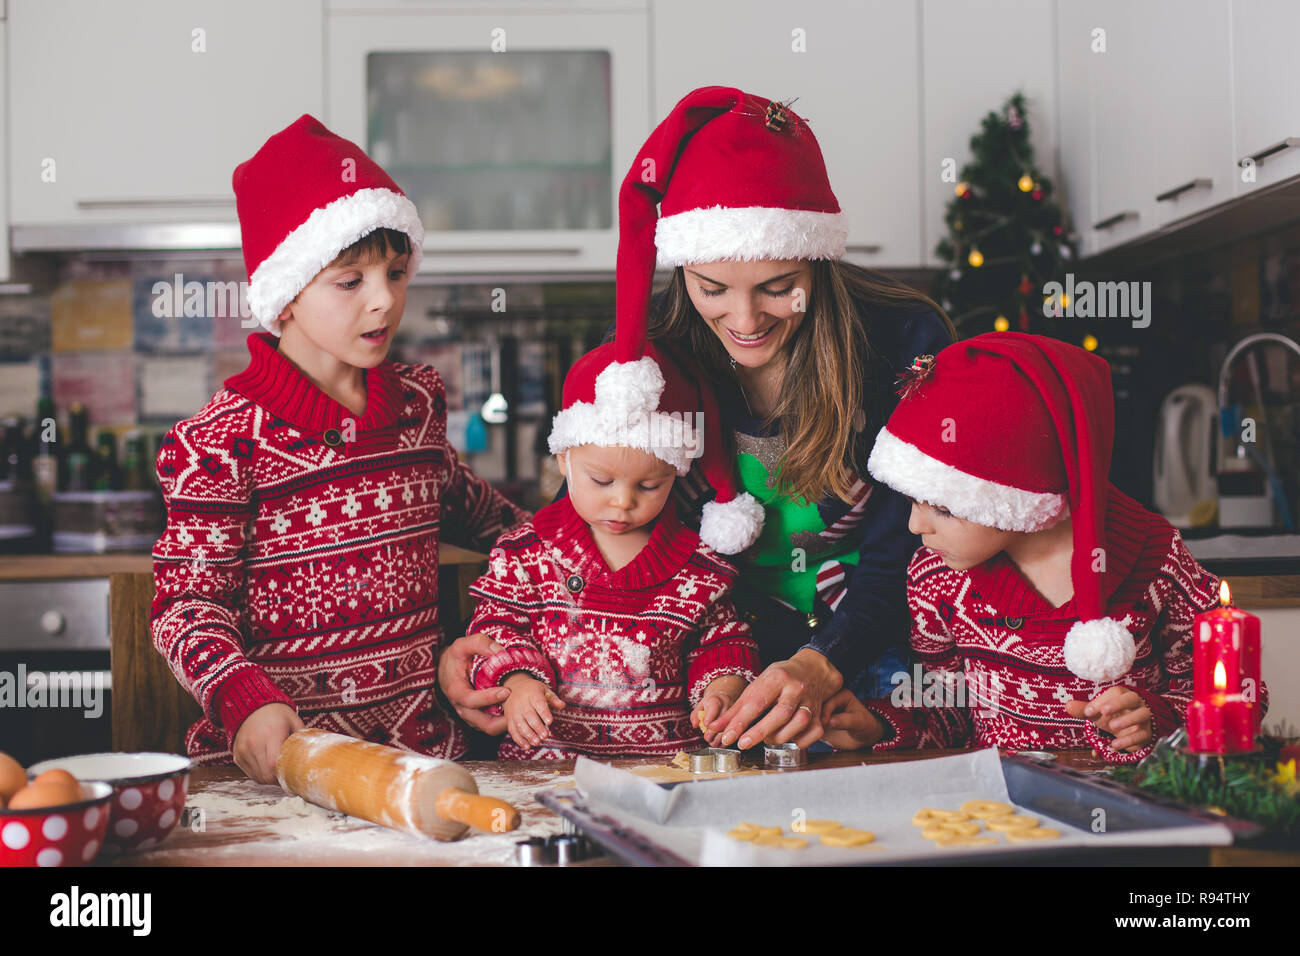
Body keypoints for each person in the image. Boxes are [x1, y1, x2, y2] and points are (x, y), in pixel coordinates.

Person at [442, 87, 956, 752]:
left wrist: (826, 660)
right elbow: (593, 528)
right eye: (712, 289)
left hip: (875, 649)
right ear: (681, 265)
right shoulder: (643, 361)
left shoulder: (902, 344)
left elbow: (909, 548)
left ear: (817, 260)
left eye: (779, 288)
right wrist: (490, 654)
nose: (744, 322)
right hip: (716, 670)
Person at [150, 115, 528, 783]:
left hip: (422, 763)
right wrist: (242, 703)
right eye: (350, 281)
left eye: (397, 272)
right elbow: (187, 605)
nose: (384, 301)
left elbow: (494, 523)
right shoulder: (219, 442)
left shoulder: (417, 406)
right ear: (285, 294)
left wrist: (590, 545)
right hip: (283, 771)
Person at [818, 333, 1269, 762]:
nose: (917, 526)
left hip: (1133, 808)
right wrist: (878, 726)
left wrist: (1153, 718)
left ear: (1018, 495)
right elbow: (948, 710)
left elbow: (1235, 696)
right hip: (1003, 816)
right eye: (913, 501)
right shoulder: (936, 577)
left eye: (944, 508)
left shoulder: (1156, 562)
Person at [463, 254, 762, 757]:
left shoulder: (699, 569)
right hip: (549, 773)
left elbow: (723, 643)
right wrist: (515, 681)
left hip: (664, 772)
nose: (623, 502)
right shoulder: (522, 557)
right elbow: (493, 630)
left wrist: (721, 689)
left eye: (650, 486)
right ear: (564, 459)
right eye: (601, 480)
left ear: (677, 475)